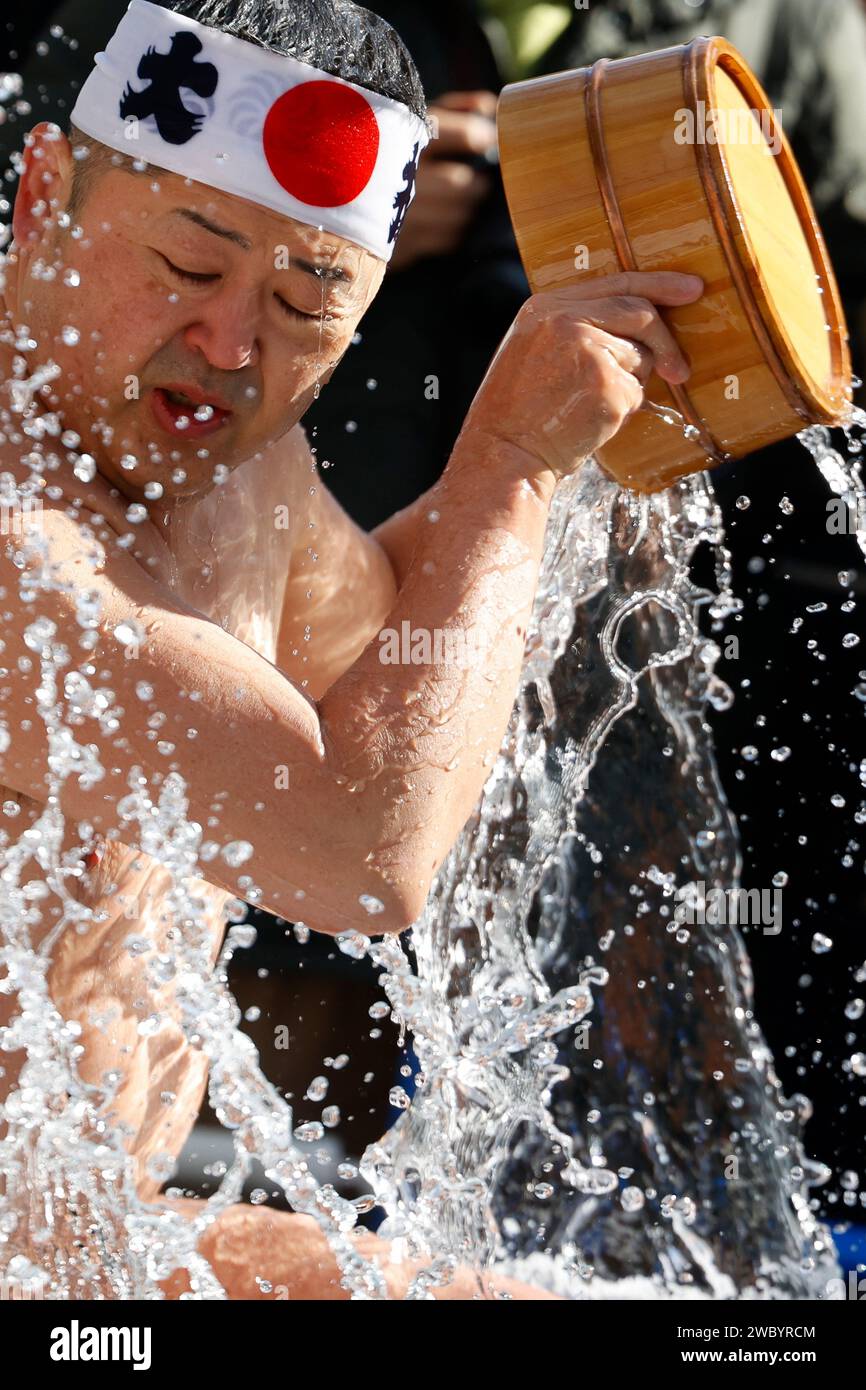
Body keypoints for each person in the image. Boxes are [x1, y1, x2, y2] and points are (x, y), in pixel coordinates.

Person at [0, 0, 702, 1297]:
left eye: (305, 299)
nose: (228, 345)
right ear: (45, 188)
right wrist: (509, 469)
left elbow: (391, 661)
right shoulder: (17, 538)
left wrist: (582, 431)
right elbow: (360, 850)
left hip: (89, 1233)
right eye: (188, 263)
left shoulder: (236, 465)